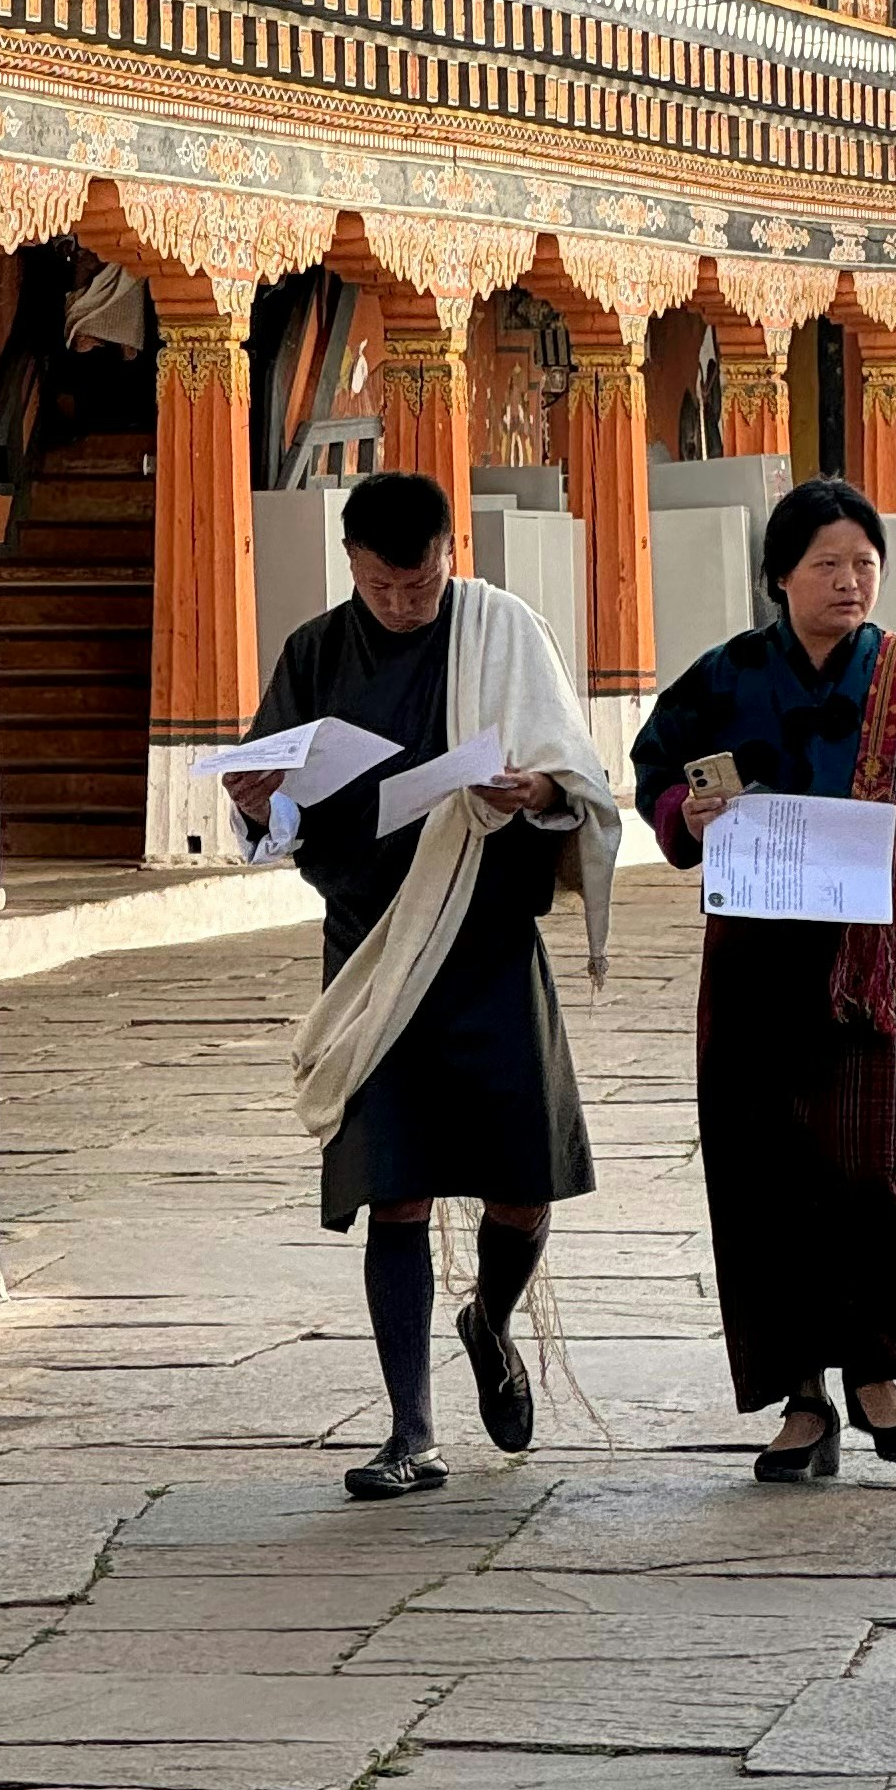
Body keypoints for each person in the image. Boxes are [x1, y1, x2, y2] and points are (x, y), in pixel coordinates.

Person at [223, 467, 616, 1500]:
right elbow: (271, 818)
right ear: (352, 567)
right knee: (390, 1189)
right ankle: (410, 1431)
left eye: (422, 584)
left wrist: (534, 789)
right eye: (383, 588)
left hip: (483, 931)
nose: (404, 604)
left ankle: (489, 1317)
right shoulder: (314, 650)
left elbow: (572, 777)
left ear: (452, 557)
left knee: (521, 1185)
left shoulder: (502, 628)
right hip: (372, 941)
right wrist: (263, 801)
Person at [630, 477, 896, 1481]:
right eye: (827, 566)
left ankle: (878, 1364)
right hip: (755, 954)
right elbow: (656, 771)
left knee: (867, 1164)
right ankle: (801, 1396)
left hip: (875, 956)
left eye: (865, 566)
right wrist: (684, 816)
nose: (849, 584)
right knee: (761, 1174)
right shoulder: (729, 674)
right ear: (781, 578)